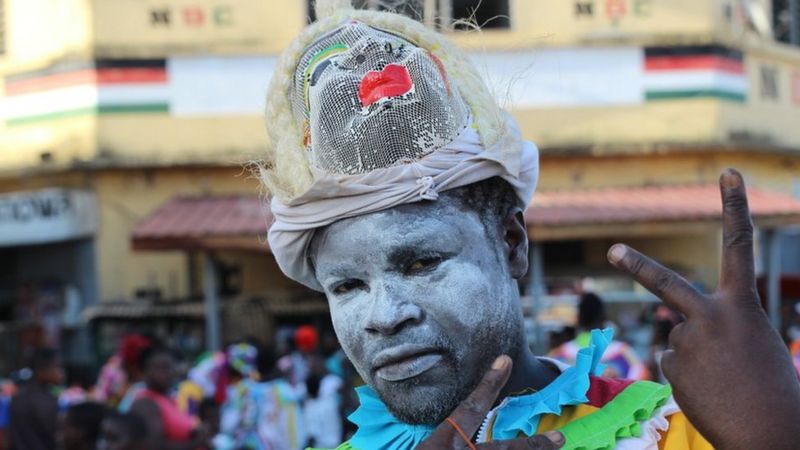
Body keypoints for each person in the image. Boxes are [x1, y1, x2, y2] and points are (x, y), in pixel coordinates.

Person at [257, 1, 800, 449]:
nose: (383, 317)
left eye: (422, 262)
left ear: (512, 242)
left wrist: (772, 433)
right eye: (347, 285)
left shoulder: (675, 434)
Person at [549, 293, 649, 380]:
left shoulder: (558, 354)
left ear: (579, 318)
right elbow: (641, 377)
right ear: (603, 316)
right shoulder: (624, 352)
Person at [129, 346, 209, 450]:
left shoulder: (171, 399)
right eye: (160, 368)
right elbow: (155, 446)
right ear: (145, 371)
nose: (167, 373)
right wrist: (197, 442)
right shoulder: (145, 403)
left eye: (169, 367)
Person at [8, 348, 63, 450]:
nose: (61, 373)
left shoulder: (18, 397)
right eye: (56, 367)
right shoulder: (44, 400)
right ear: (42, 370)